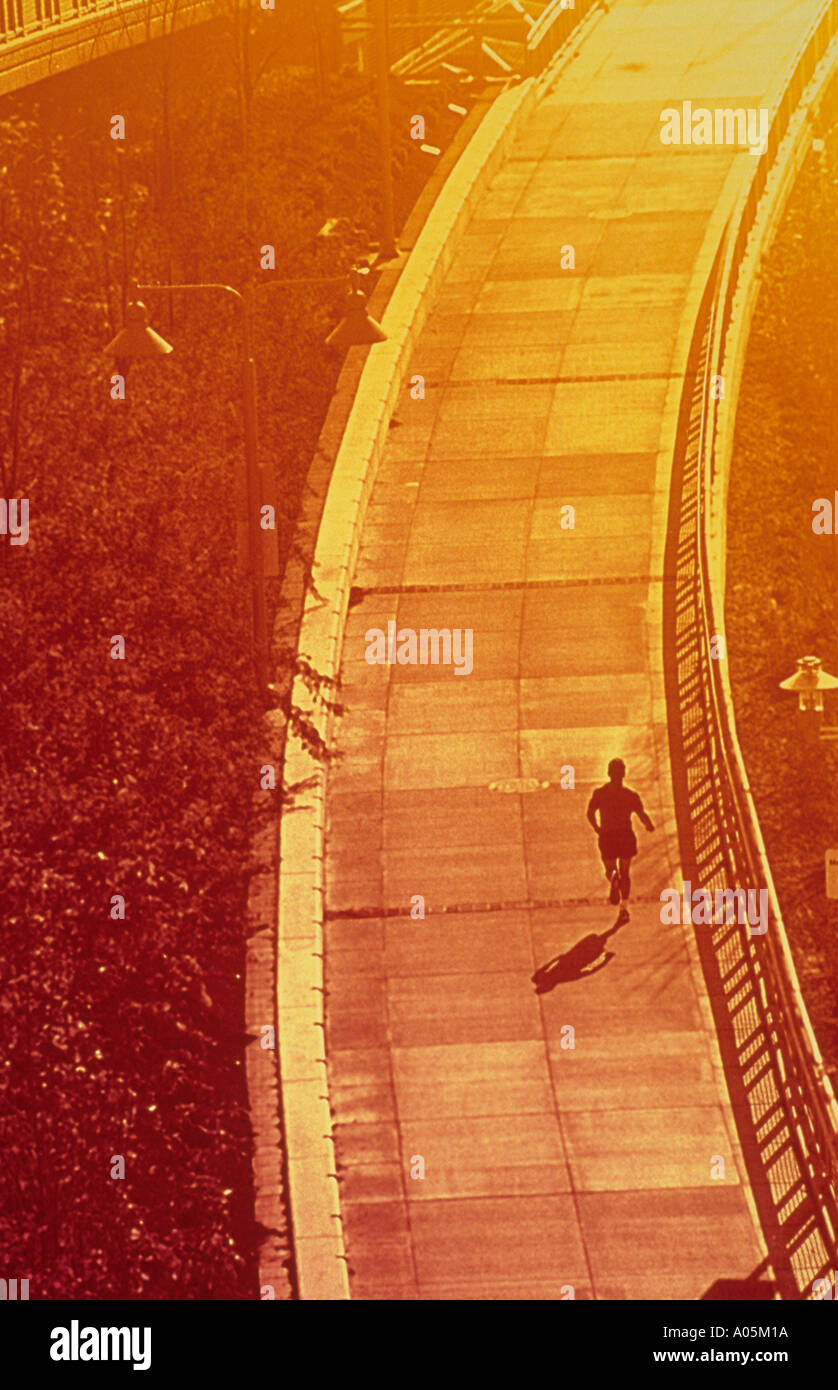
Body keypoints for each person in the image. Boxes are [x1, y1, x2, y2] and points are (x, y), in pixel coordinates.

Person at [586, 759, 654, 920]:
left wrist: (597, 827)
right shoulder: (630, 796)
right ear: (623, 774)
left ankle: (613, 878)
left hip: (608, 836)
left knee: (610, 869)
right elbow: (641, 814)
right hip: (625, 836)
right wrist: (649, 825)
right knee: (626, 873)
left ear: (609, 773)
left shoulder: (600, 793)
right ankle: (624, 909)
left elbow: (589, 813)